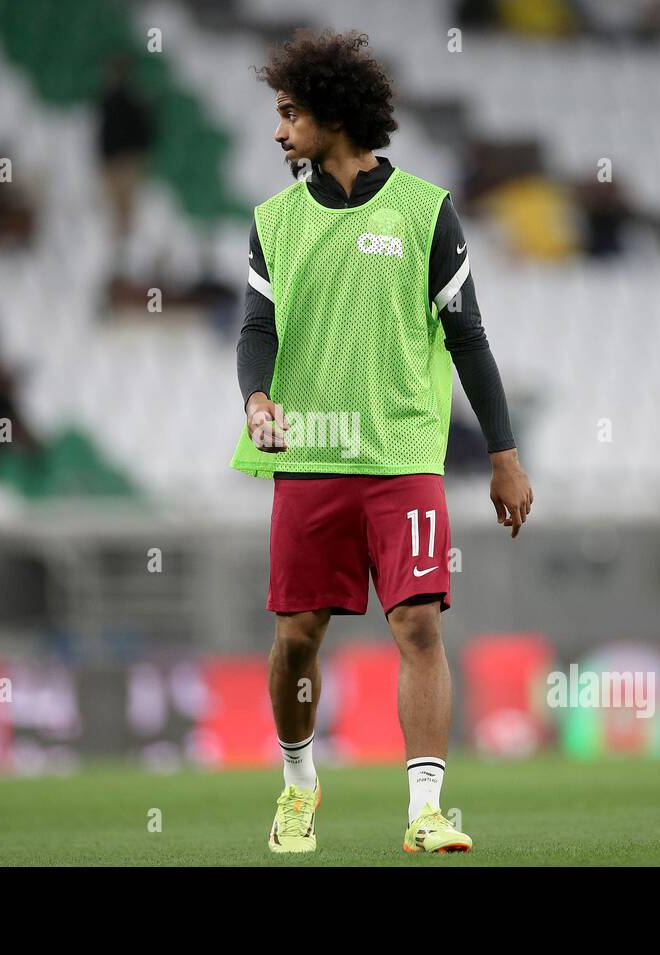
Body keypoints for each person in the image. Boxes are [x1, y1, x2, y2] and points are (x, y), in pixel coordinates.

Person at [230, 30, 533, 853]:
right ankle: (298, 787)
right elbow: (256, 328)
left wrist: (503, 454)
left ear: (332, 111)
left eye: (290, 112)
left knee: (420, 628)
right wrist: (257, 397)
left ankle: (425, 811)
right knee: (297, 639)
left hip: (402, 459)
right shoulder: (274, 221)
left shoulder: (426, 212)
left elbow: (469, 339)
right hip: (313, 456)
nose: (279, 129)